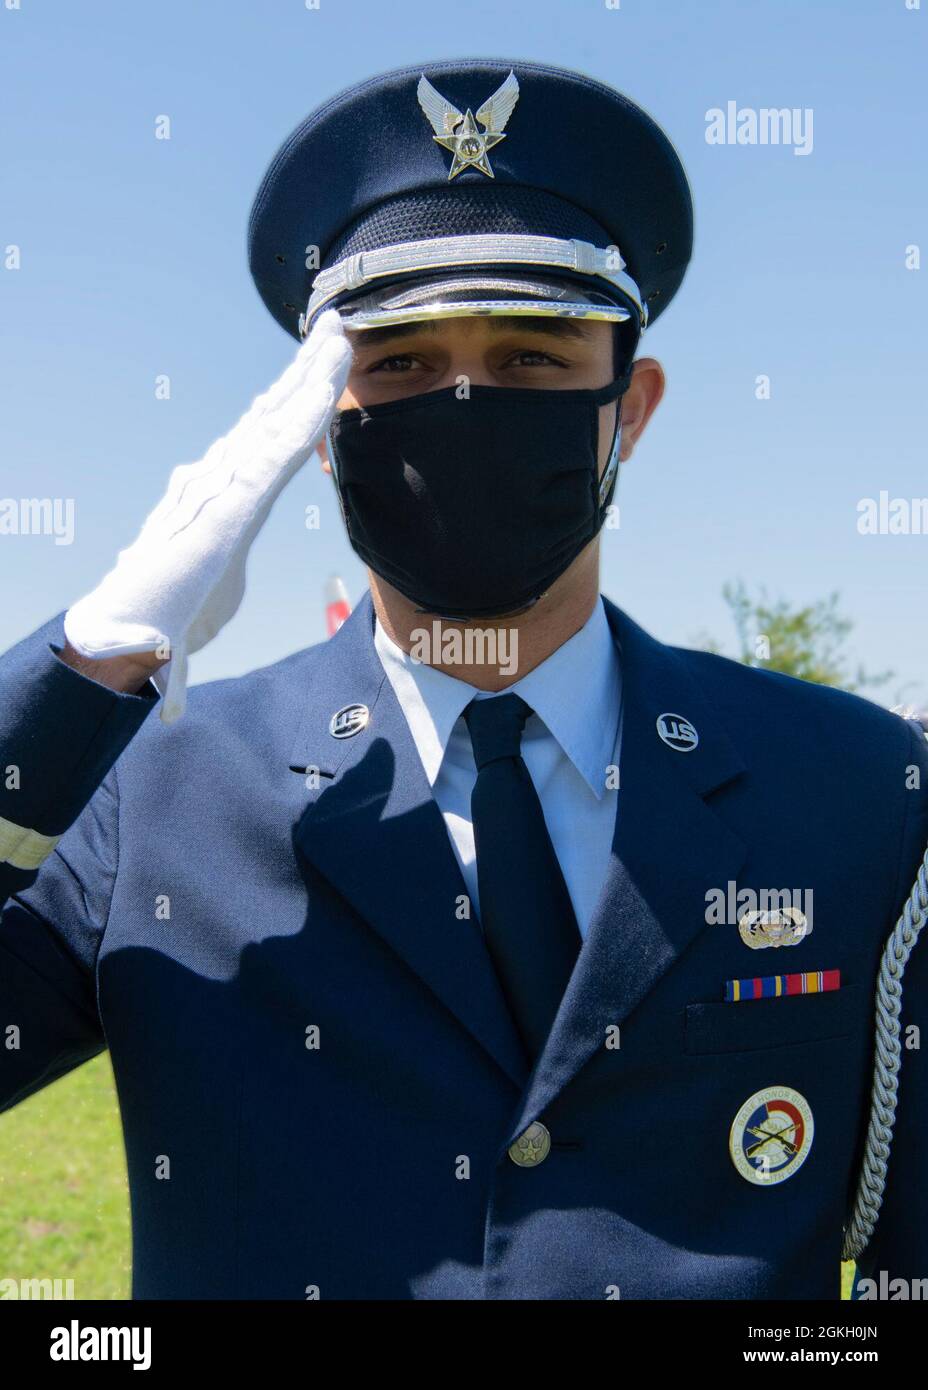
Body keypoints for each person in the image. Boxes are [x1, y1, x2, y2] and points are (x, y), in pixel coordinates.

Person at [1, 57, 925, 1301]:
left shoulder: (860, 787)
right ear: (318, 424)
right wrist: (81, 670)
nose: (464, 404)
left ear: (629, 409)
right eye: (396, 365)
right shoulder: (152, 797)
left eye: (533, 359)